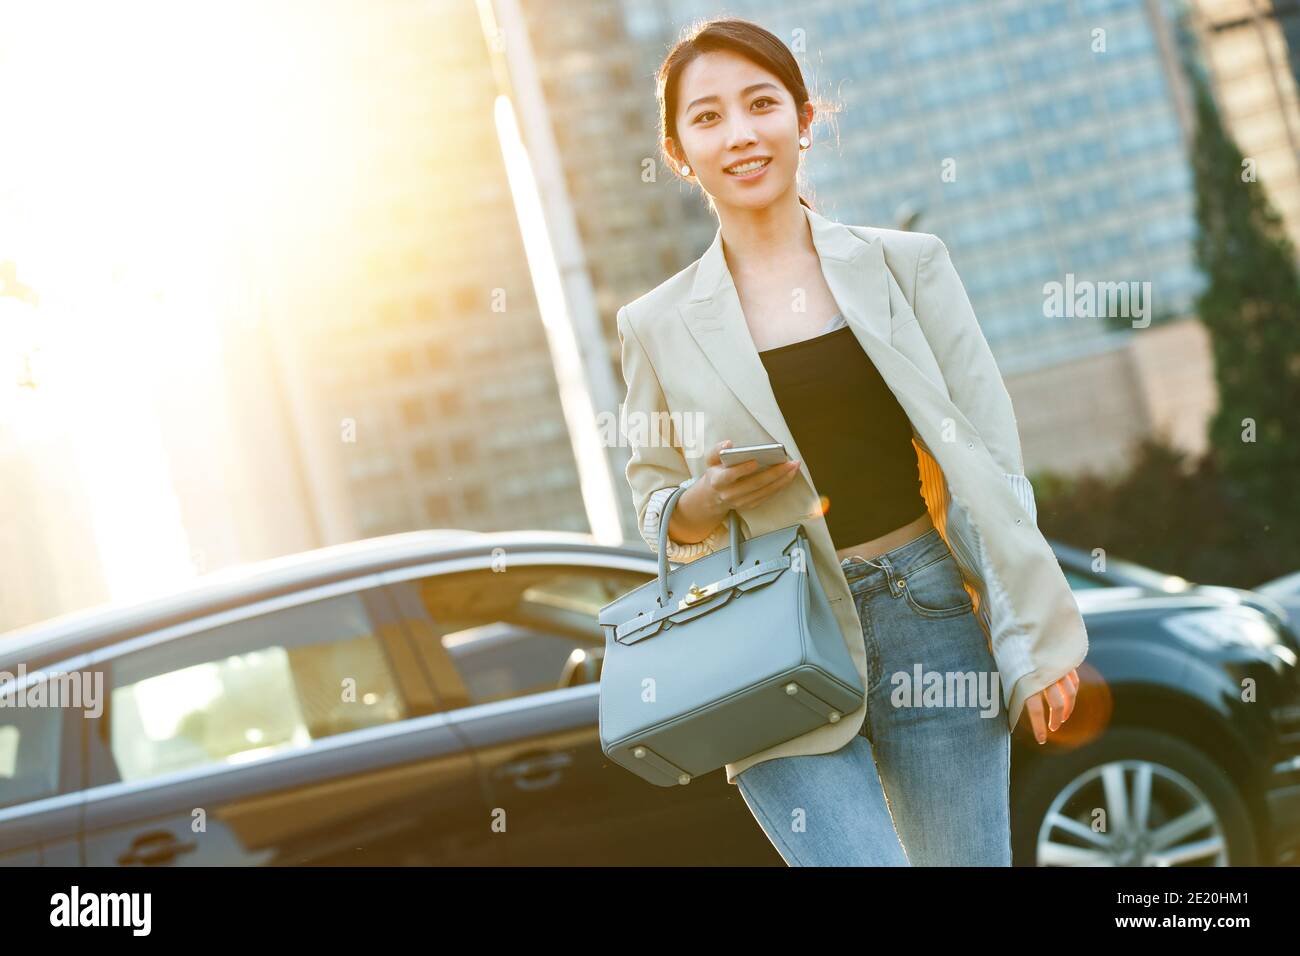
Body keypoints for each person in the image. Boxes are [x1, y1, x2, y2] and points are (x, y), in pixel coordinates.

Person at [616, 17, 1085, 865]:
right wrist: (702, 500)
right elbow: (652, 499)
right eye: (708, 116)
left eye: (761, 104)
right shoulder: (654, 326)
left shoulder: (909, 265)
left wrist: (1035, 642)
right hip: (768, 645)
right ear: (680, 150)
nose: (741, 133)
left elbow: (991, 464)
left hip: (929, 615)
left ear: (803, 117)